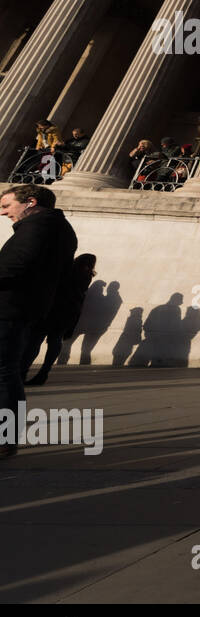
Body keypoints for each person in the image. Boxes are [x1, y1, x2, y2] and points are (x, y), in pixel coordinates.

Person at [0, 184, 78, 457]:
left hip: (9, 308)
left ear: (30, 202)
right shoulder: (59, 228)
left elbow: (14, 266)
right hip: (25, 309)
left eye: (7, 205)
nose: (3, 212)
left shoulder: (38, 226)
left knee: (5, 373)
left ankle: (5, 438)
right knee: (8, 372)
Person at [25, 252, 96, 387]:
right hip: (67, 314)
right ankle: (44, 372)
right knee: (55, 342)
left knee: (35, 341)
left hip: (53, 310)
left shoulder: (68, 271)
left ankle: (23, 370)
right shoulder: (87, 277)